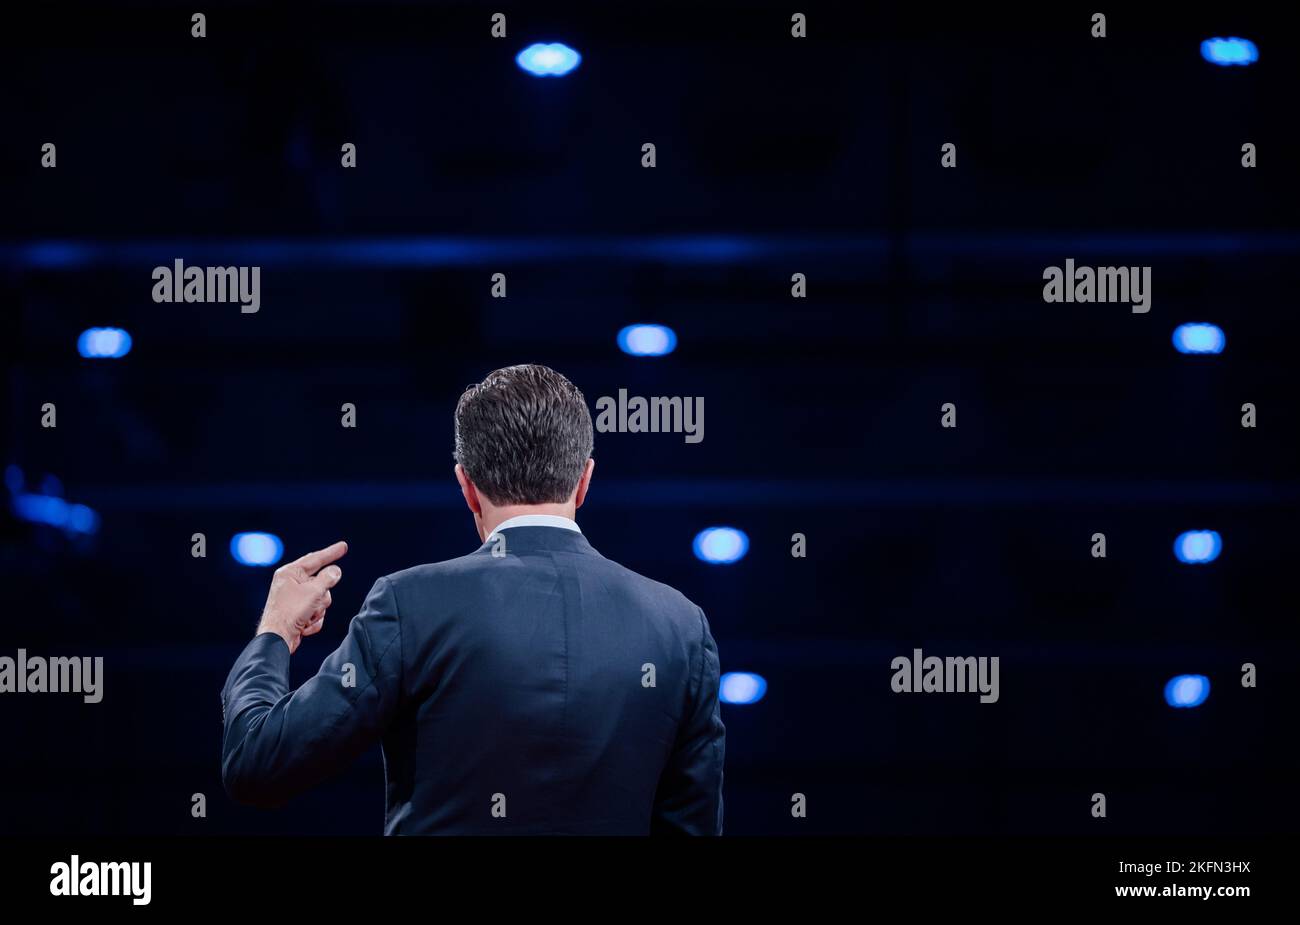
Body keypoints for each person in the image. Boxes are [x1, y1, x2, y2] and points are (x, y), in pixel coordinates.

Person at [220, 364, 725, 834]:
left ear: (466, 485)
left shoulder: (410, 604)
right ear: (585, 480)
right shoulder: (680, 626)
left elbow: (257, 763)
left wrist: (276, 631)